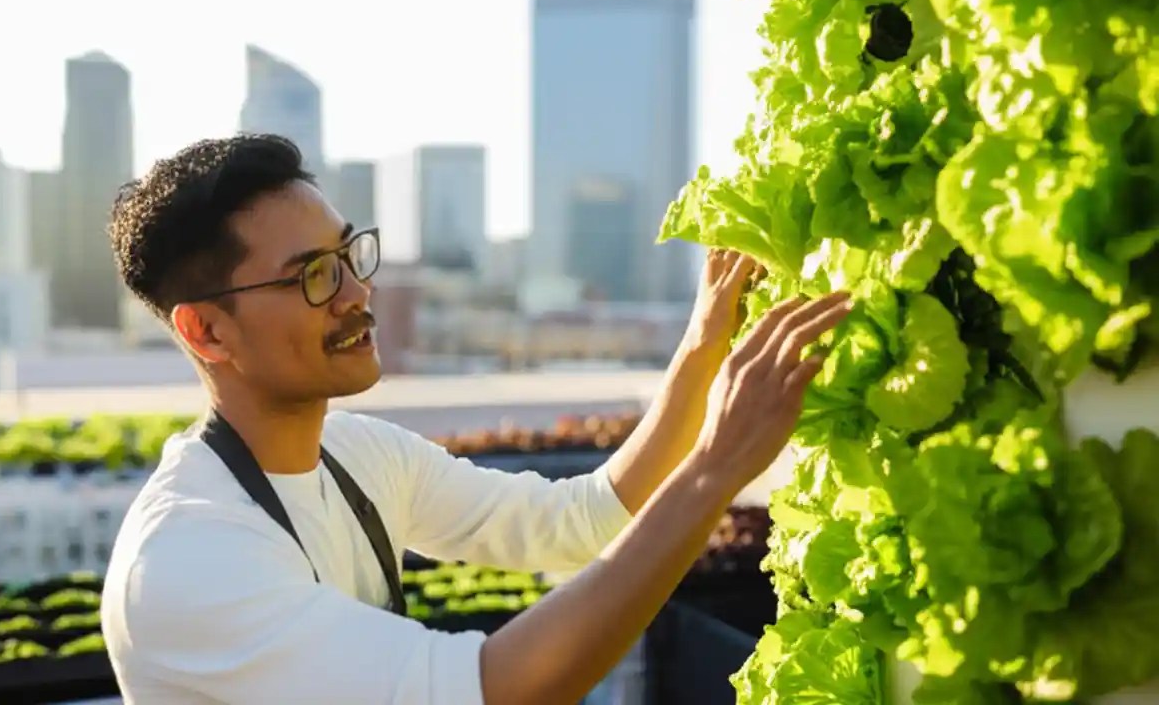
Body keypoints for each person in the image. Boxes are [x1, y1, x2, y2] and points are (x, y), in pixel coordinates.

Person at [99, 134, 851, 704]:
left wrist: (700, 349)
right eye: (313, 276)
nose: (357, 294)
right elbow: (498, 689)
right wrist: (717, 465)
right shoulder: (185, 563)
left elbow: (579, 519)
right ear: (206, 332)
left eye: (349, 255)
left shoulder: (356, 455)